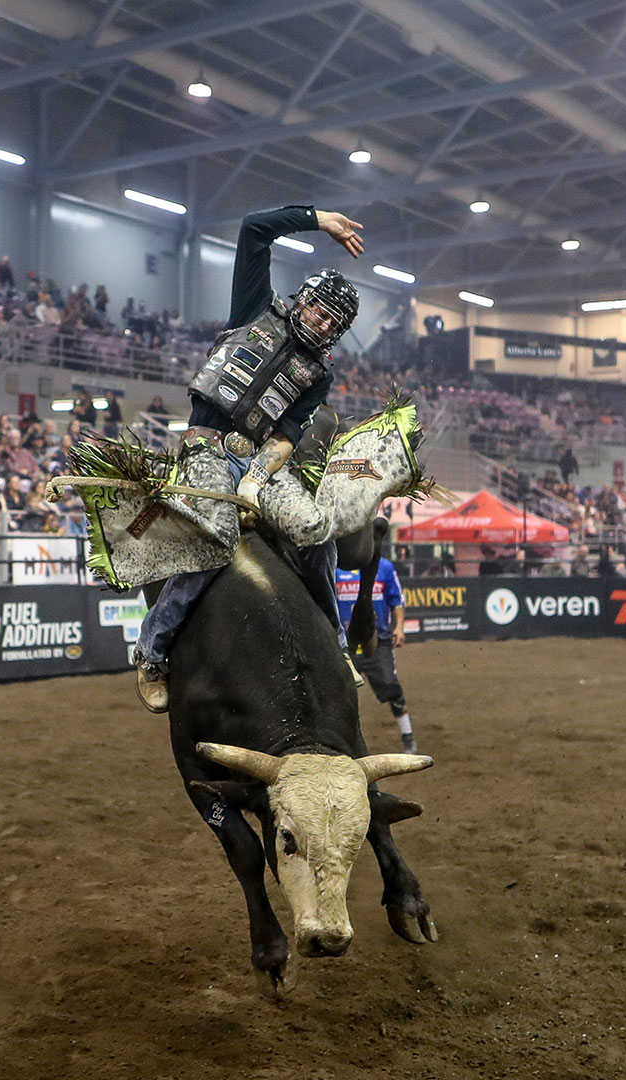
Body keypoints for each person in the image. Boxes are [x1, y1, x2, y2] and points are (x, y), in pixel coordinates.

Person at [130, 204, 367, 712]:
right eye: (318, 308)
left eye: (331, 320)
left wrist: (256, 478)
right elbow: (253, 230)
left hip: (259, 462)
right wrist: (317, 219)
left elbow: (286, 434)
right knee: (215, 537)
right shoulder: (255, 305)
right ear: (303, 299)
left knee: (318, 532)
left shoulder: (319, 374)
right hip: (206, 444)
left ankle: (336, 643)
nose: (320, 320)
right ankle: (151, 652)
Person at [337, 549, 418, 752]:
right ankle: (342, 744)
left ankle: (408, 735)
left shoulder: (385, 567)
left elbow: (397, 600)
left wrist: (399, 627)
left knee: (391, 686)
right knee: (339, 694)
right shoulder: (336, 567)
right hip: (344, 644)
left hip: (377, 639)